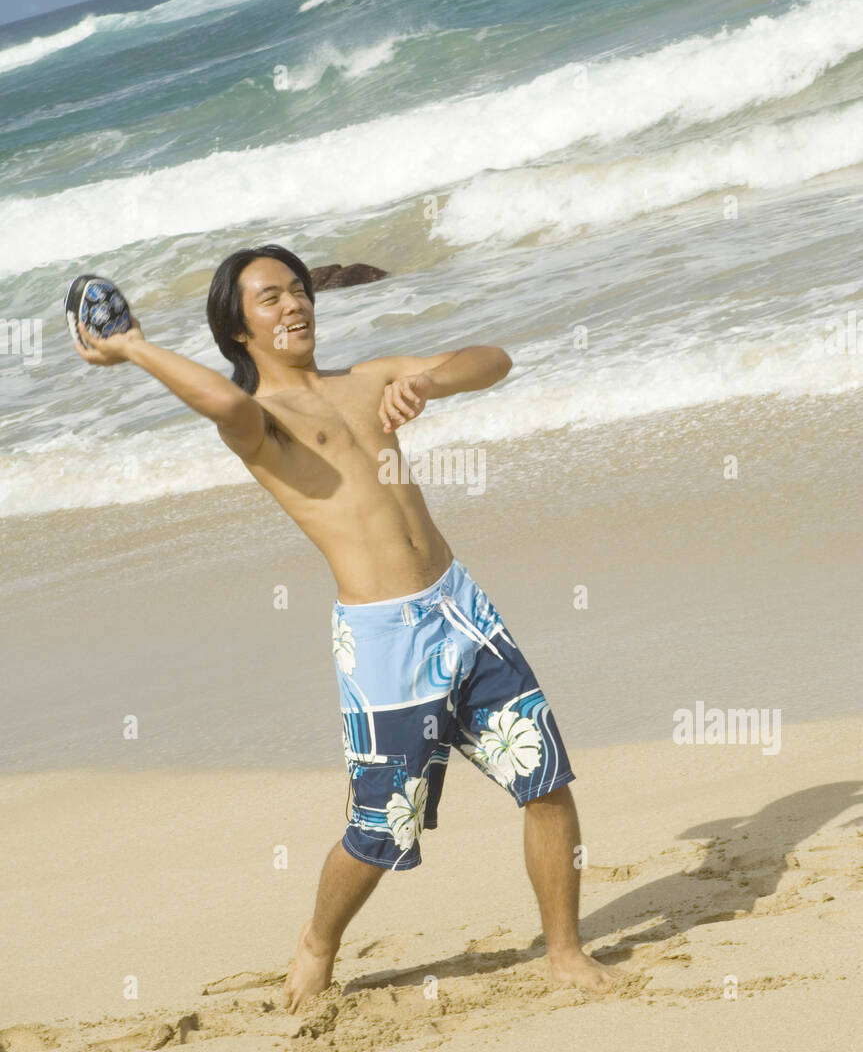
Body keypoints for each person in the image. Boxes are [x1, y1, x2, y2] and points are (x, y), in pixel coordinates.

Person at [73, 243, 613, 1010]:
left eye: (298, 291)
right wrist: (131, 346)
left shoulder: (367, 381)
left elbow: (494, 359)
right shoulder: (260, 423)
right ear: (237, 331)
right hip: (385, 642)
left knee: (546, 781)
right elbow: (224, 404)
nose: (293, 306)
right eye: (269, 298)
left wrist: (426, 380)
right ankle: (318, 941)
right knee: (382, 833)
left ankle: (563, 950)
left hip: (461, 607)